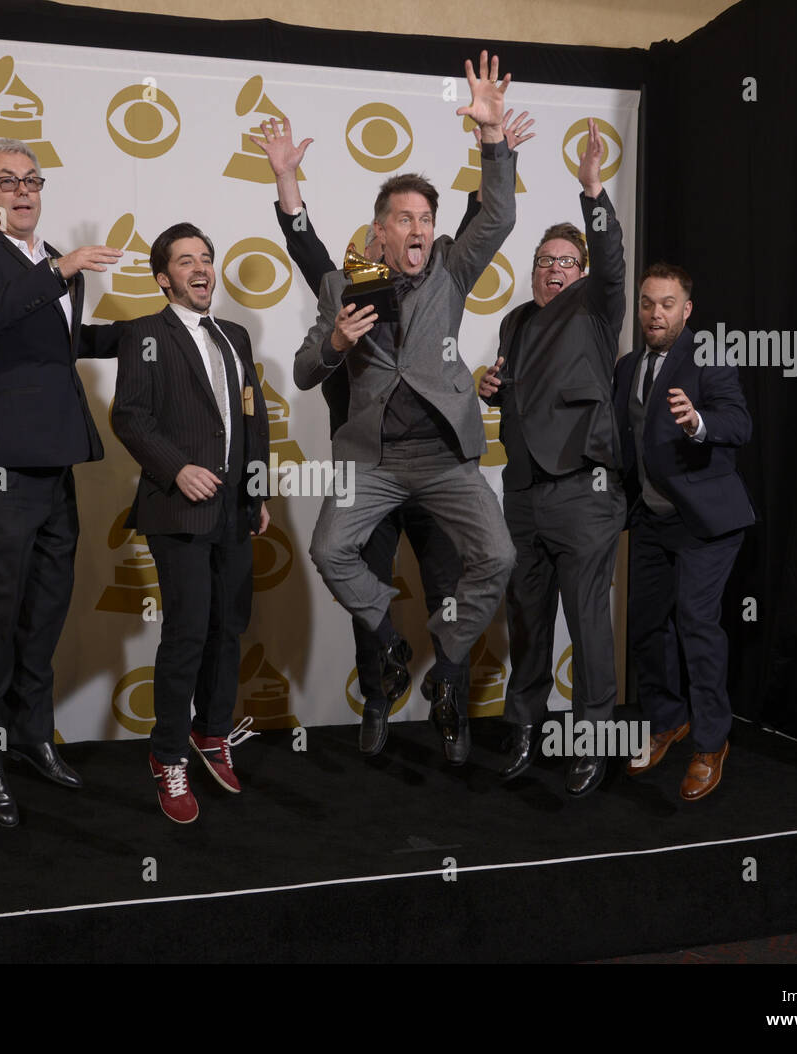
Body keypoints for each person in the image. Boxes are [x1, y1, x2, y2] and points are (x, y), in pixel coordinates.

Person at [295, 52, 521, 766]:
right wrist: (336, 339)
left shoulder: (452, 269)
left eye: (426, 218)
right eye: (405, 218)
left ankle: (448, 675)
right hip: (374, 463)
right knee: (329, 549)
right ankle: (390, 647)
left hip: (445, 458)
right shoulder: (342, 285)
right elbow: (306, 371)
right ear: (379, 231)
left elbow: (501, 214)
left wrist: (491, 139)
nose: (419, 228)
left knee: (497, 556)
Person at [0, 138, 123, 826]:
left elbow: (60, 345)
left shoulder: (49, 268)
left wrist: (146, 335)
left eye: (32, 180)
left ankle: (31, 739)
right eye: (7, 181)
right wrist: (58, 269)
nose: (23, 190)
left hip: (55, 458)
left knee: (44, 610)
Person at [477, 117, 626, 796]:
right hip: (524, 494)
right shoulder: (514, 320)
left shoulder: (597, 305)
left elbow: (611, 257)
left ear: (582, 272)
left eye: (566, 261)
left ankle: (594, 741)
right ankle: (525, 729)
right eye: (545, 262)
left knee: (588, 623)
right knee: (527, 619)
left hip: (585, 491)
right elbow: (517, 390)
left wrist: (592, 192)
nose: (553, 271)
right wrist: (490, 388)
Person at [112, 222, 270, 824]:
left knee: (229, 627)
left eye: (206, 258)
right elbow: (129, 416)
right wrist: (177, 469)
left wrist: (257, 489)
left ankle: (212, 732)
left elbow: (252, 418)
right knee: (186, 634)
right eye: (186, 261)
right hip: (177, 507)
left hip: (233, 508)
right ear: (163, 278)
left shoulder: (234, 335)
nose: (201, 269)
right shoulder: (145, 335)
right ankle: (167, 754)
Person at [614, 263, 754, 800]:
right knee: (647, 625)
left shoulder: (709, 357)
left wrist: (698, 423)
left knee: (696, 623)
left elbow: (739, 424)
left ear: (686, 310)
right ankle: (668, 719)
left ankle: (711, 741)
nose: (655, 313)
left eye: (667, 304)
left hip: (707, 522)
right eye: (648, 303)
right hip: (652, 519)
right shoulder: (628, 366)